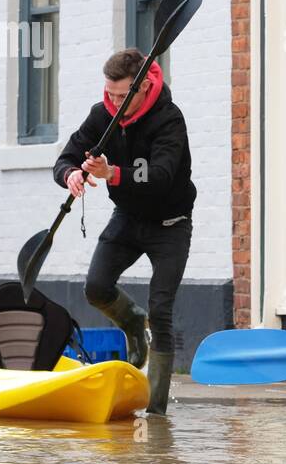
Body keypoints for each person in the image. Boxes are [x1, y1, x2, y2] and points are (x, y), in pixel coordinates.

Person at [53, 48, 195, 415]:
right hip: (128, 218)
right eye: (110, 94)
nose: (115, 104)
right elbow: (66, 156)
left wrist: (113, 173)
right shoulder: (103, 115)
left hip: (171, 225)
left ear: (144, 86)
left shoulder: (169, 119)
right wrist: (70, 174)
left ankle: (156, 410)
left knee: (161, 310)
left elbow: (160, 176)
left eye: (122, 96)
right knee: (96, 288)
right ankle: (133, 324)